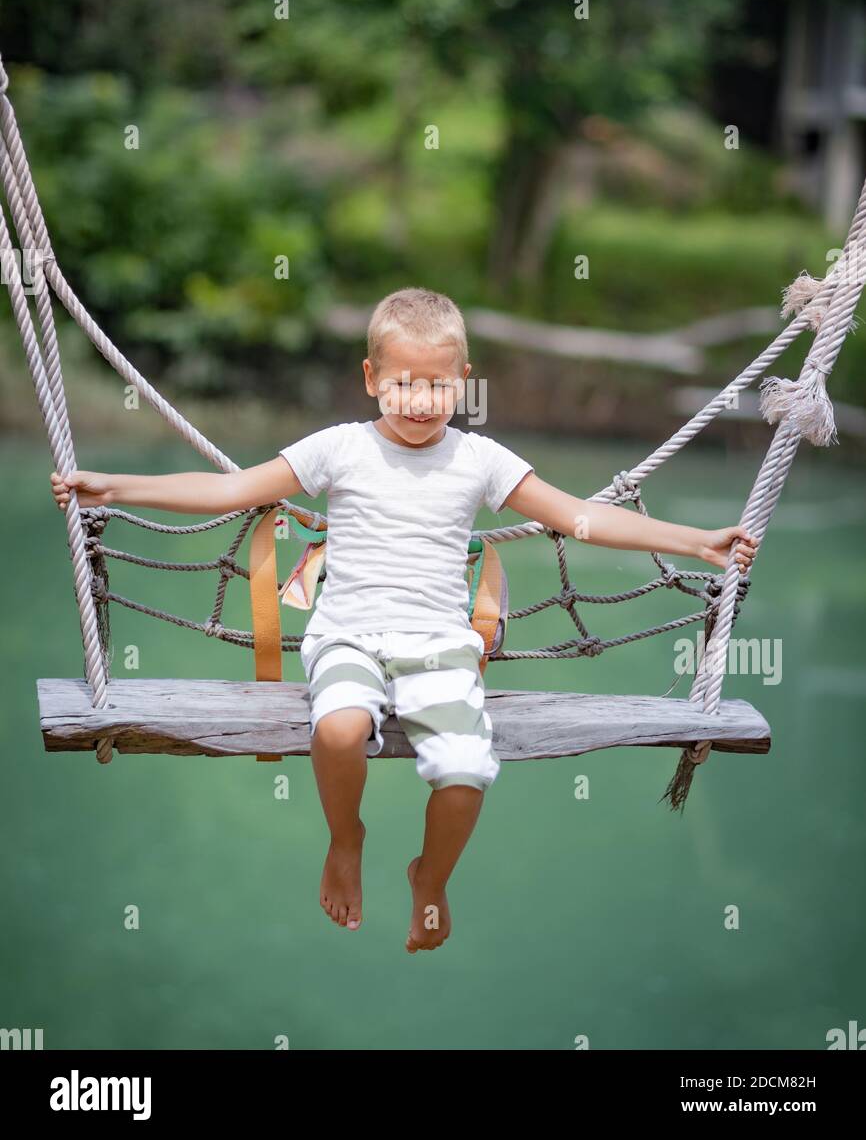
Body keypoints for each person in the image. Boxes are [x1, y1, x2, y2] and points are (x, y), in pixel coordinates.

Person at [50, 286, 758, 952]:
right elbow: (230, 490)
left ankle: (432, 877)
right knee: (339, 727)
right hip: (348, 636)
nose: (419, 401)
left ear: (464, 380)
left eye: (438, 385)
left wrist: (696, 541)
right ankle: (345, 840)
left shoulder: (480, 459)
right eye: (402, 383)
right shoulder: (340, 448)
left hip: (441, 647)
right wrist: (113, 485)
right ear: (370, 377)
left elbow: (582, 518)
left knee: (462, 770)